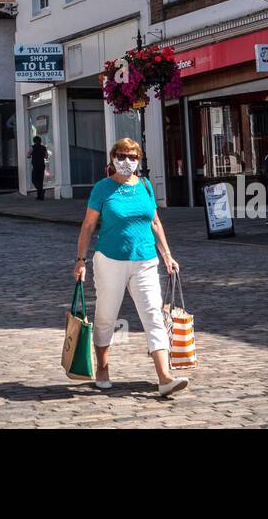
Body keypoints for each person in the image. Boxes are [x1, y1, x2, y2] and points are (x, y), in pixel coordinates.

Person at [74, 138, 187, 397]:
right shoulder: (103, 188)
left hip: (145, 260)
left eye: (133, 157)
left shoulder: (145, 185)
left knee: (153, 315)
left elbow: (155, 222)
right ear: (113, 158)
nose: (127, 161)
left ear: (139, 160)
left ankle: (164, 376)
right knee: (106, 316)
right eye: (122, 156)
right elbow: (88, 226)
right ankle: (102, 368)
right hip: (110, 260)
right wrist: (80, 260)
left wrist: (167, 255)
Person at [30, 136, 50, 201]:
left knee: (34, 180)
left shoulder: (33, 147)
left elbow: (28, 155)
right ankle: (40, 196)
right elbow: (46, 157)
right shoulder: (44, 148)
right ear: (40, 141)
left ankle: (40, 191)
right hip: (42, 165)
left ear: (34, 141)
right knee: (40, 180)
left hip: (35, 165)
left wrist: (31, 155)